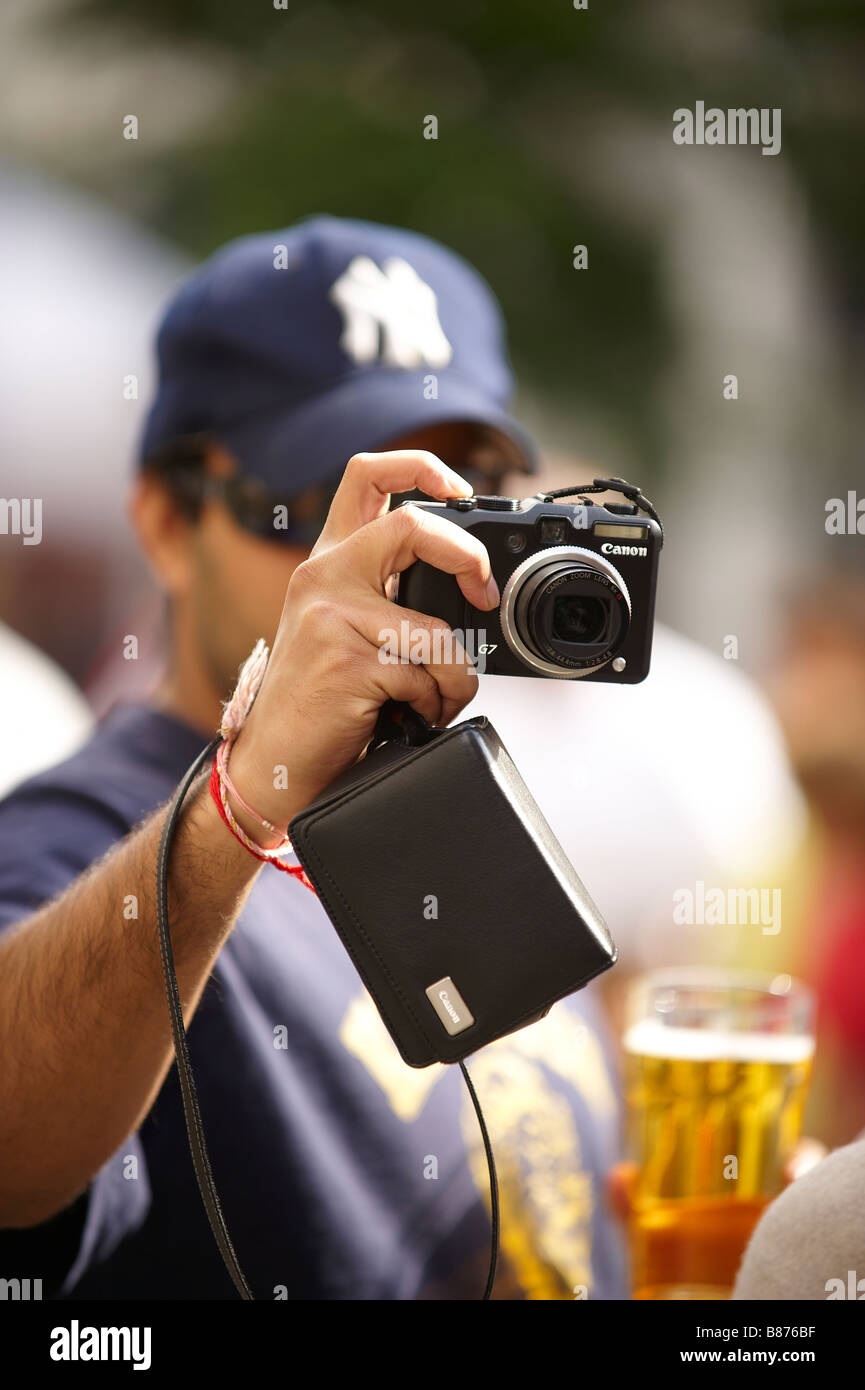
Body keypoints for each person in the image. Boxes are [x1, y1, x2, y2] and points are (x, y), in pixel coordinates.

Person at [0, 217, 628, 1300]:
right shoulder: (85, 832)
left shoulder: (461, 793)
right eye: (317, 504)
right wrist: (247, 792)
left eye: (453, 497)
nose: (388, 552)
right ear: (162, 521)